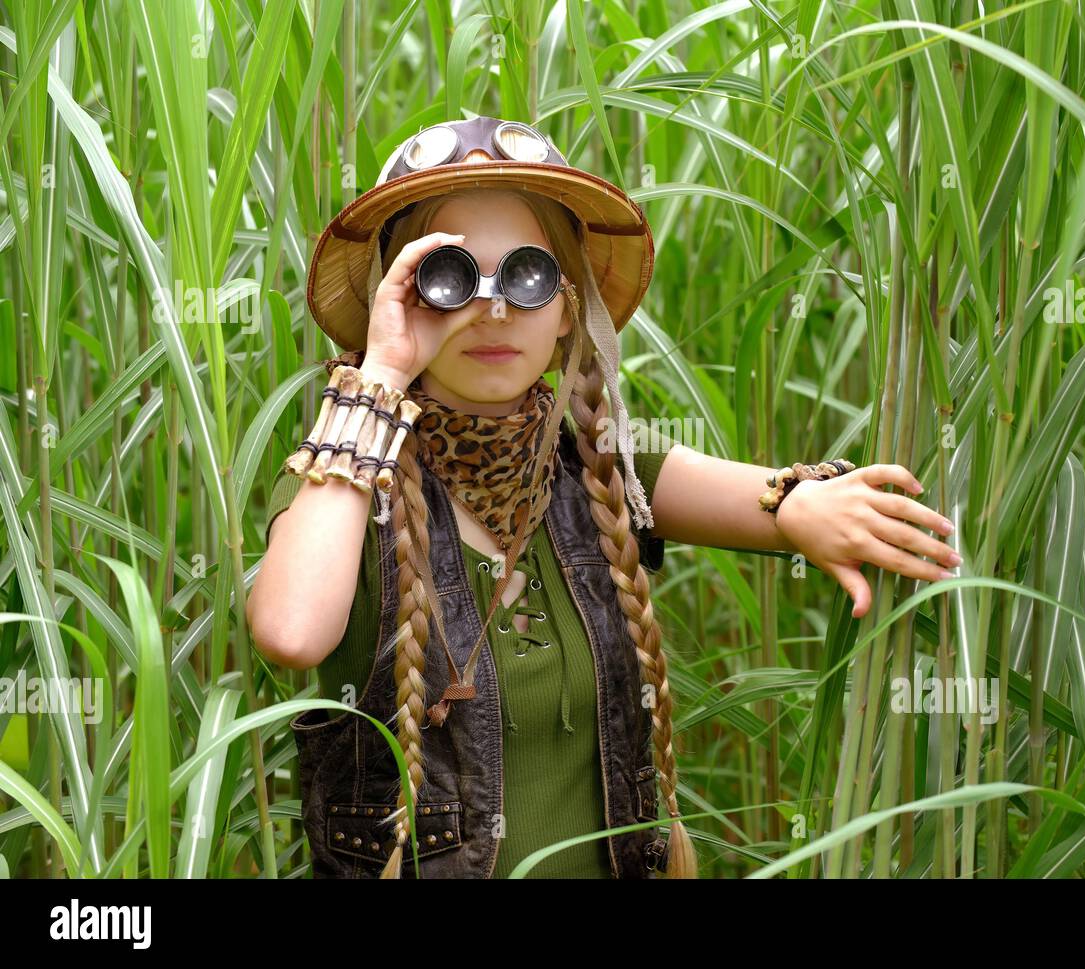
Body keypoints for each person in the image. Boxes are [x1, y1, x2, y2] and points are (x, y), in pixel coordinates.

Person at [246, 116, 958, 879]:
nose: (492, 308)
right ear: (397, 295)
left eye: (528, 277)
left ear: (566, 311)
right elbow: (291, 631)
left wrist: (809, 505)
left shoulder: (599, 465)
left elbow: (766, 497)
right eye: (447, 277)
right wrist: (381, 373)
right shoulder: (342, 484)